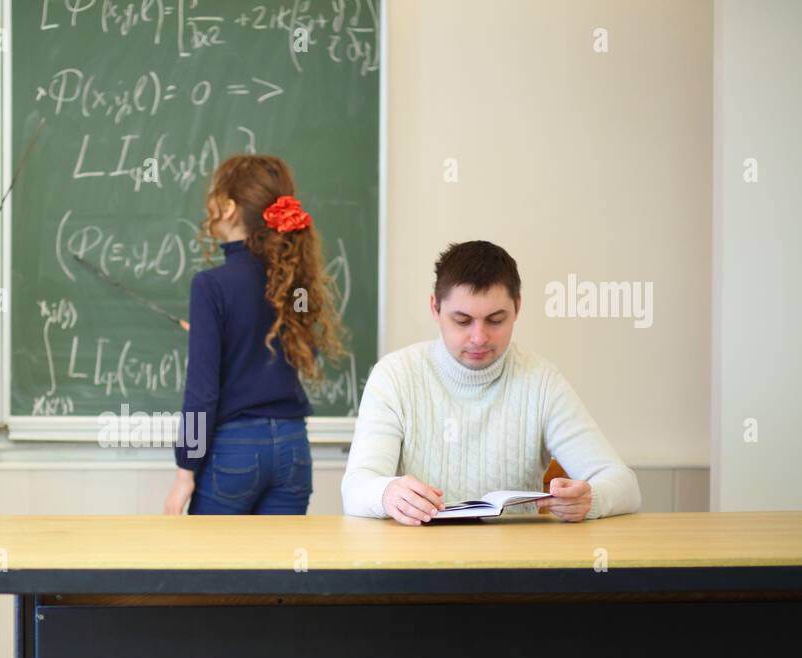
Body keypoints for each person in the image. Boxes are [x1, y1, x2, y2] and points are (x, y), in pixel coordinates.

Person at [342, 240, 641, 524]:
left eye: (496, 320)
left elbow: (625, 485)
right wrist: (386, 493)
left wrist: (591, 499)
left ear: (517, 308)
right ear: (435, 308)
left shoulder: (541, 381)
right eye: (462, 320)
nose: (479, 337)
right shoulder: (395, 376)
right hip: (415, 562)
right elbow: (355, 488)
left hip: (512, 565)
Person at [164, 155, 346, 515]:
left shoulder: (210, 286)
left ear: (229, 208)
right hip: (293, 450)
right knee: (279, 570)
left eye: (214, 197)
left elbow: (202, 393)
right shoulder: (295, 284)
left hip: (234, 450)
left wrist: (186, 471)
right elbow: (302, 346)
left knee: (214, 570)